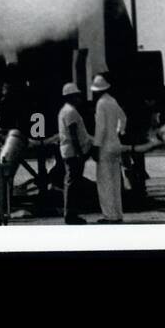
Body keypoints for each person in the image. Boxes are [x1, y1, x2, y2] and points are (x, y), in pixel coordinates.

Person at [91, 74, 127, 224]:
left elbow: (101, 128)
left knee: (104, 183)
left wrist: (96, 146)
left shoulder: (101, 103)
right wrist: (120, 132)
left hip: (105, 146)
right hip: (115, 143)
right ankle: (118, 214)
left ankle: (109, 216)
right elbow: (123, 118)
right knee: (115, 181)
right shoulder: (113, 101)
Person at [58, 82, 93, 224]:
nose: (79, 98)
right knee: (73, 185)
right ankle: (71, 215)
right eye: (76, 95)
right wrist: (80, 153)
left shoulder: (65, 110)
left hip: (69, 152)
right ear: (71, 96)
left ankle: (71, 213)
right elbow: (73, 134)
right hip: (73, 153)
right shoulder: (70, 112)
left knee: (71, 183)